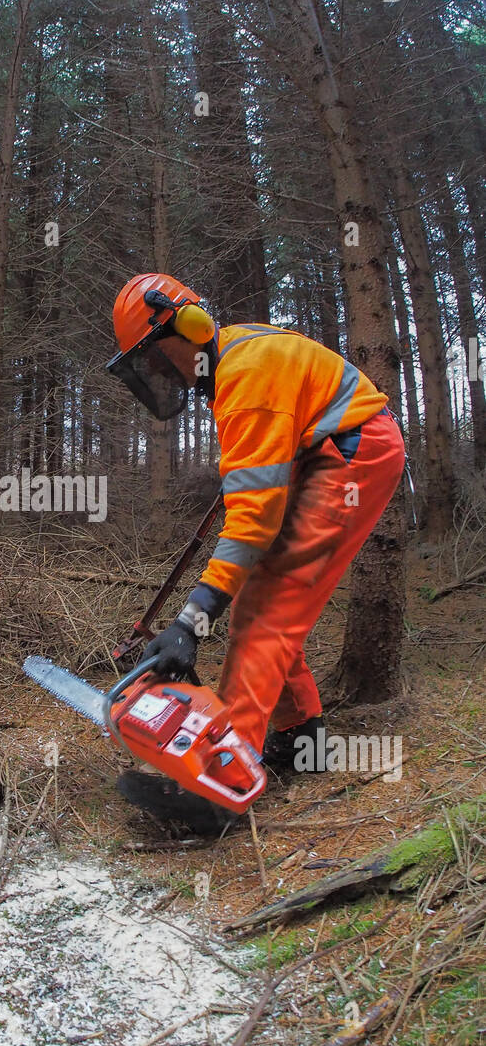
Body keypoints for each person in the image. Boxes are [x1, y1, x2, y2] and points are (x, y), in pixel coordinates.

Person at [106, 272, 406, 825]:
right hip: (333, 449)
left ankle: (221, 784)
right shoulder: (235, 363)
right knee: (264, 599)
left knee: (268, 607)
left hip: (353, 453)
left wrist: (190, 622)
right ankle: (300, 737)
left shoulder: (244, 374)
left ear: (189, 326)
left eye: (155, 355)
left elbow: (253, 523)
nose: (157, 371)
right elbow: (254, 491)